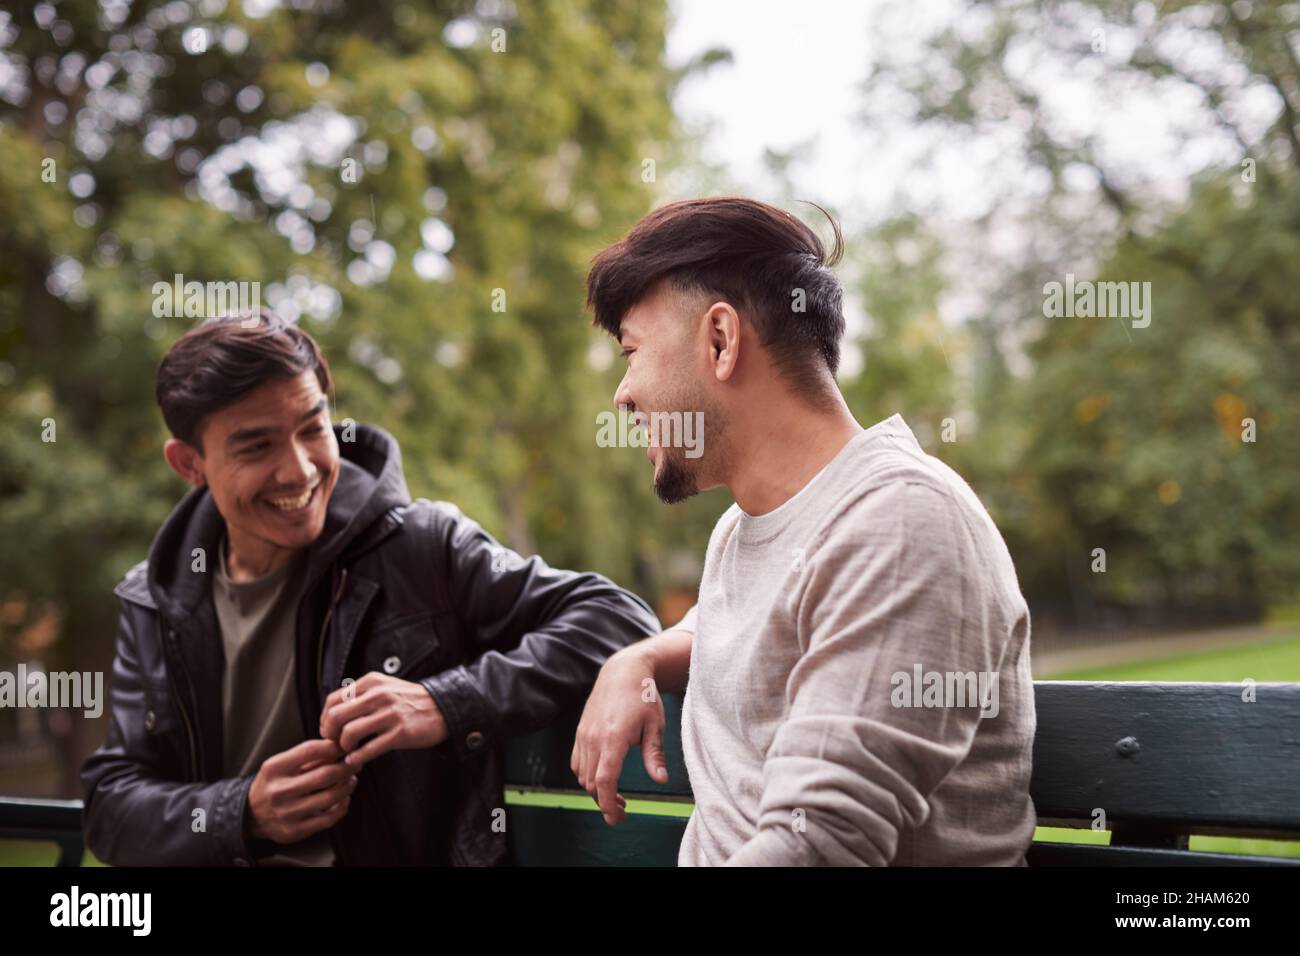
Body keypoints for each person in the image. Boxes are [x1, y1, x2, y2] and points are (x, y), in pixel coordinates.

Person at [81, 311, 659, 866]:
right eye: (256, 447)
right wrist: (242, 813)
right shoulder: (152, 601)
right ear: (189, 464)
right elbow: (112, 806)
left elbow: (616, 618)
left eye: (312, 428)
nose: (300, 470)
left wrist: (444, 702)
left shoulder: (422, 547)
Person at [572, 196, 1037, 865]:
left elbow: (818, 843)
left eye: (633, 352)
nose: (622, 395)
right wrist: (640, 656)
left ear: (721, 341)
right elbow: (763, 617)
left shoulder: (903, 522)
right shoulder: (744, 530)